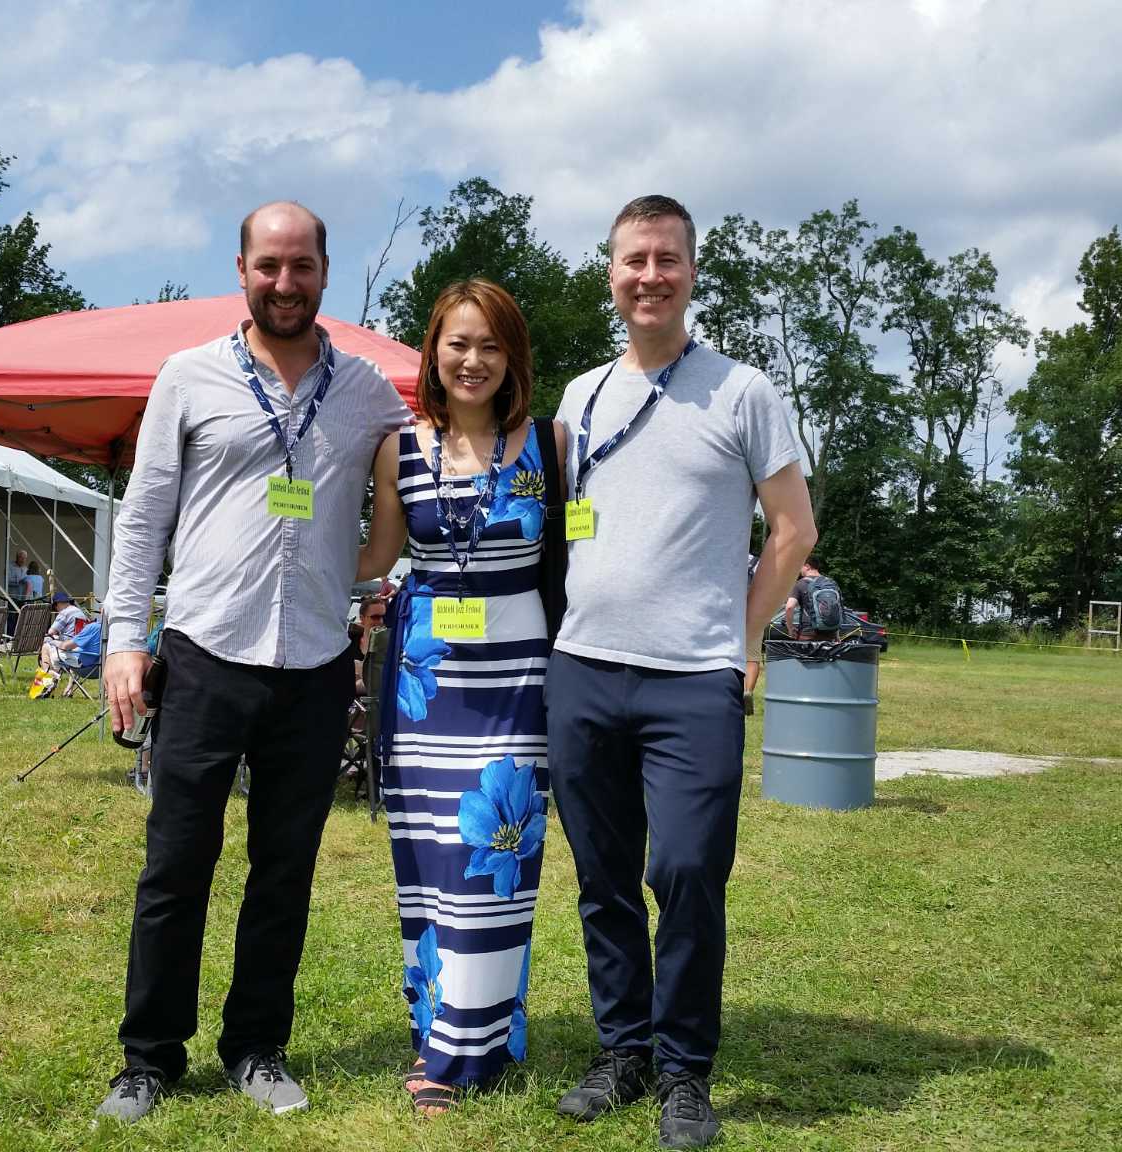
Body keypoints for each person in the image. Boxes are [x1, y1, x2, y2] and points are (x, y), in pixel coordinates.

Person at [93, 201, 410, 1125]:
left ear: (324, 272)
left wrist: (379, 569)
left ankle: (257, 1047)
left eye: (301, 266)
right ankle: (149, 1057)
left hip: (314, 663)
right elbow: (144, 518)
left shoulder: (367, 395)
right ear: (241, 269)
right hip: (203, 654)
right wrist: (123, 639)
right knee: (175, 865)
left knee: (285, 868)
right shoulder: (187, 378)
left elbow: (421, 482)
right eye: (268, 265)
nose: (284, 282)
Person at [547, 196, 816, 1149]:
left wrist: (742, 640)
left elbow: (794, 532)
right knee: (604, 874)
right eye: (633, 260)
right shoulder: (577, 399)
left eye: (667, 259)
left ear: (692, 271)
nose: (649, 275)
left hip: (693, 677)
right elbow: (563, 530)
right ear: (610, 273)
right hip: (582, 668)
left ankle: (685, 1071)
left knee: (691, 869)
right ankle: (624, 1051)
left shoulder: (742, 392)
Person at [354, 278, 561, 1114]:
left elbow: (586, 549)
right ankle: (446, 1029)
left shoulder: (551, 443)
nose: (472, 361)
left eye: (490, 346)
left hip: (519, 676)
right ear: (433, 351)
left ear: (512, 357)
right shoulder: (399, 448)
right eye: (457, 344)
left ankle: (464, 1051)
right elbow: (377, 555)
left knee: (497, 864)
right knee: (435, 861)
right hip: (425, 680)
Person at [787, 558, 840, 640]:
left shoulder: (801, 583)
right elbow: (835, 609)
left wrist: (790, 628)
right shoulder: (831, 583)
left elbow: (789, 607)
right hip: (830, 633)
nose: (799, 570)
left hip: (808, 633)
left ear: (807, 566)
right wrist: (836, 635)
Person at [347, 595, 386, 695]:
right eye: (375, 617)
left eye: (384, 617)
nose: (380, 621)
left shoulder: (390, 646)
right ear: (362, 618)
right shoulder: (348, 640)